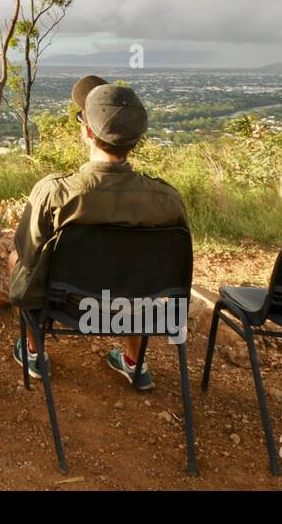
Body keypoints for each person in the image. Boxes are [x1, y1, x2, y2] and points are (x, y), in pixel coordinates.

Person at [10, 76, 189, 390]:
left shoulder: (55, 193)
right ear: (135, 140)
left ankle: (35, 351)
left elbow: (28, 252)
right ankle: (134, 360)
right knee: (136, 270)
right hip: (134, 310)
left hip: (71, 307)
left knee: (24, 265)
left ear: (87, 131)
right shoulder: (168, 201)